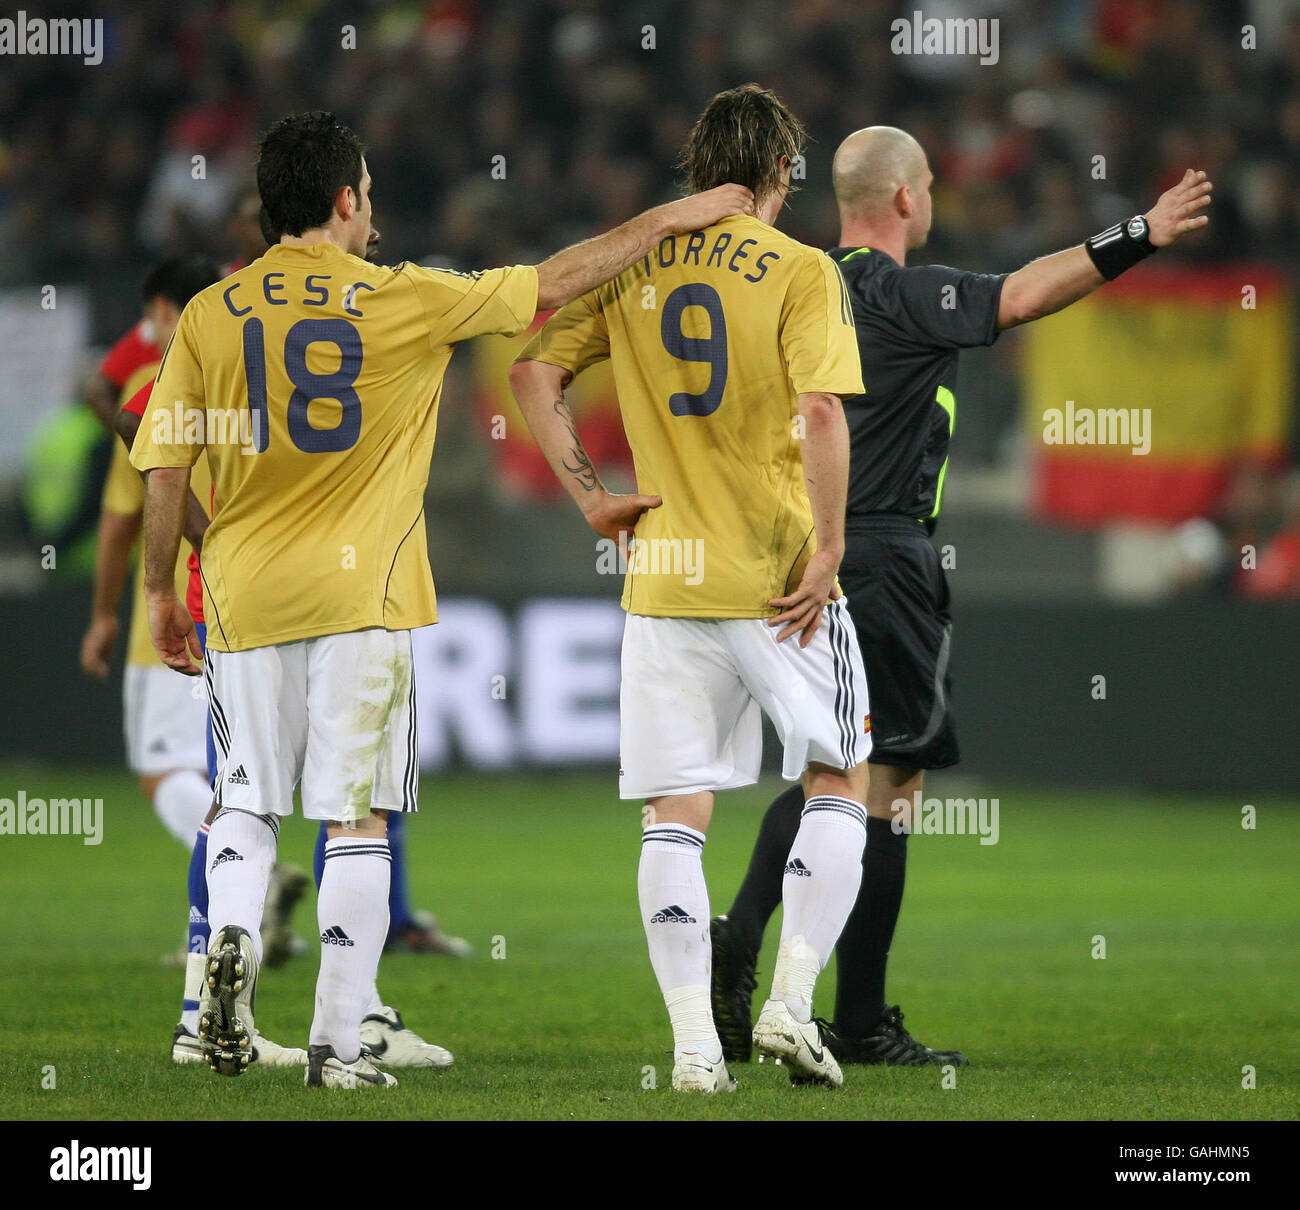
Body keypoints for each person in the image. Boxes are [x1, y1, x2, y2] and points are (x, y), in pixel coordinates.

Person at [129, 109, 752, 1090]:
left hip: (244, 590)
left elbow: (162, 471)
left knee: (243, 805)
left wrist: (163, 588)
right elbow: (554, 281)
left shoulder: (211, 315)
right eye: (367, 191)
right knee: (359, 818)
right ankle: (338, 1041)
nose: (371, 205)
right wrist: (671, 218)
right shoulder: (404, 298)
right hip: (363, 593)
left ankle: (231, 974)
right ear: (345, 201)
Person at [712, 126, 1213, 1066]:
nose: (934, 196)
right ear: (905, 199)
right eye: (931, 183)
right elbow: (1023, 295)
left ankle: (750, 948)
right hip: (883, 553)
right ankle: (844, 1011)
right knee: (885, 782)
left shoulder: (794, 285)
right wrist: (1139, 231)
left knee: (835, 764)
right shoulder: (906, 294)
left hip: (791, 552)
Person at [510, 84, 871, 1093]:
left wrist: (589, 494)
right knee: (842, 776)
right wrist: (831, 547)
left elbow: (532, 373)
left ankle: (692, 1052)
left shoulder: (635, 265)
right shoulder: (800, 269)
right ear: (781, 175)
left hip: (665, 571)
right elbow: (823, 411)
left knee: (676, 812)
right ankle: (792, 1007)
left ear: (697, 169)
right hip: (774, 570)